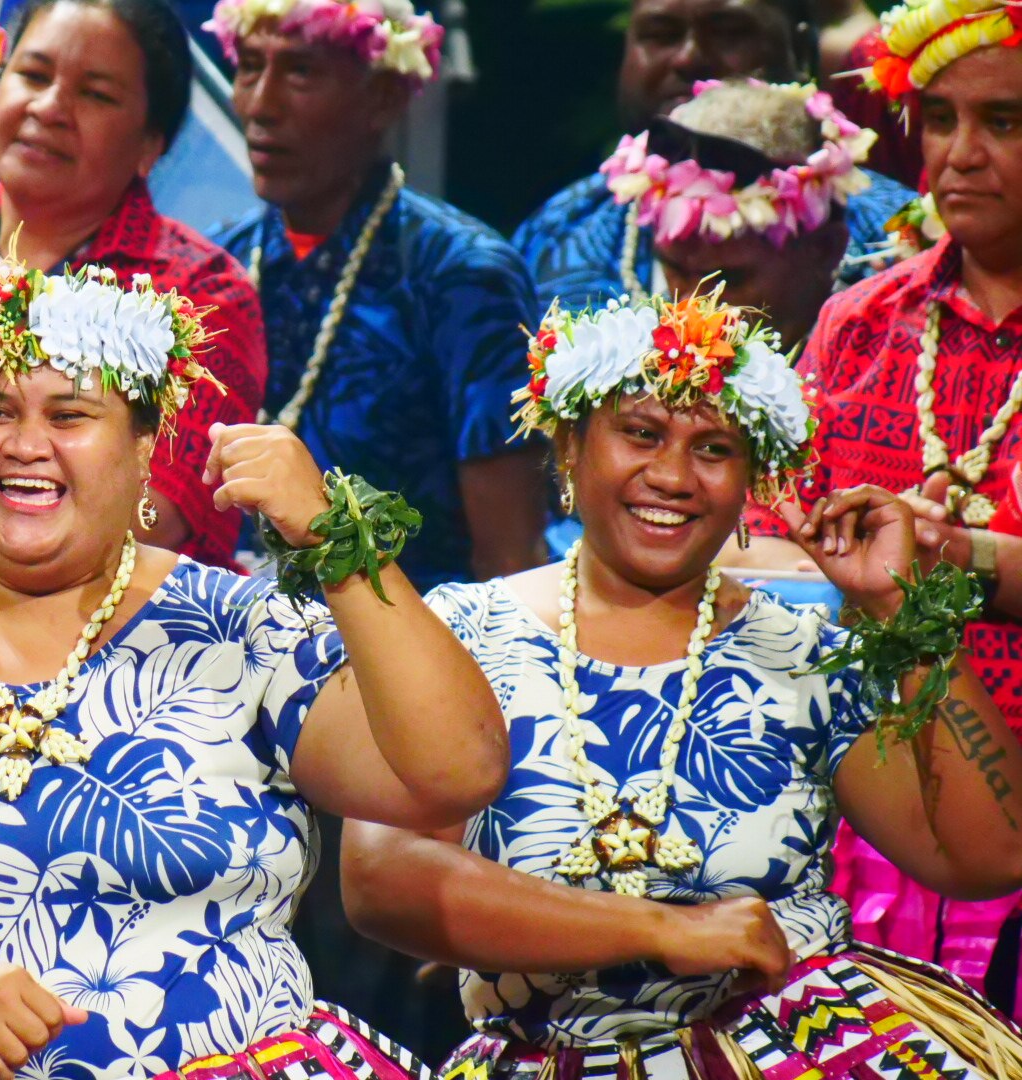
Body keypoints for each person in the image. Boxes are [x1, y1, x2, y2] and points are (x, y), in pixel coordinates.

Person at [0, 259, 509, 1080]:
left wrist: (334, 541)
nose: (26, 445)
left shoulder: (240, 625)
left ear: (144, 450)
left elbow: (457, 770)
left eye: (70, 415)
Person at [341, 288, 1022, 1080]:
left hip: (792, 1052)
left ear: (749, 481)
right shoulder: (462, 632)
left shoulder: (806, 653)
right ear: (570, 445)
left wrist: (902, 614)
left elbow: (988, 856)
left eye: (713, 448)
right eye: (640, 434)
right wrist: (664, 931)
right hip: (545, 1055)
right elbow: (381, 876)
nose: (672, 476)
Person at [737, 0, 1022, 1015]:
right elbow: (772, 559)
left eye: (1005, 122)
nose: (961, 154)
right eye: (940, 119)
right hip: (871, 820)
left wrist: (949, 553)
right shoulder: (860, 323)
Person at [0, 0, 267, 570]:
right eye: (33, 75)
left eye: (95, 94)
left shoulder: (199, 295)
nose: (49, 107)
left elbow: (155, 516)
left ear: (150, 145)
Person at [207, 0, 546, 590]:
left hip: (411, 645)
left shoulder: (462, 275)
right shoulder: (218, 263)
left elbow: (511, 561)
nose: (260, 105)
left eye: (301, 72)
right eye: (250, 67)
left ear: (384, 97)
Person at [512, 0, 915, 313]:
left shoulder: (902, 243)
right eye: (660, 34)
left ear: (801, 50)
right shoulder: (557, 234)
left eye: (729, 32)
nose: (688, 58)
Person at [608, 78, 871, 352]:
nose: (688, 315)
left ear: (824, 250)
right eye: (674, 271)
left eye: (725, 282)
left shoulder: (893, 356)